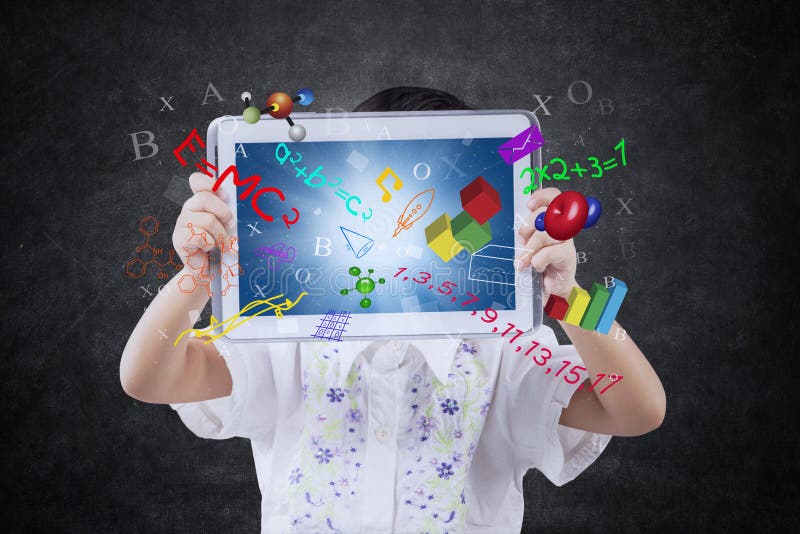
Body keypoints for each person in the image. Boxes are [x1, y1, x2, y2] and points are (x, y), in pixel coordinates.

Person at [120, 87, 665, 533]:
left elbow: (635, 411)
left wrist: (570, 300)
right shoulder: (280, 336)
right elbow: (149, 377)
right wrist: (197, 278)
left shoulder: (506, 350)